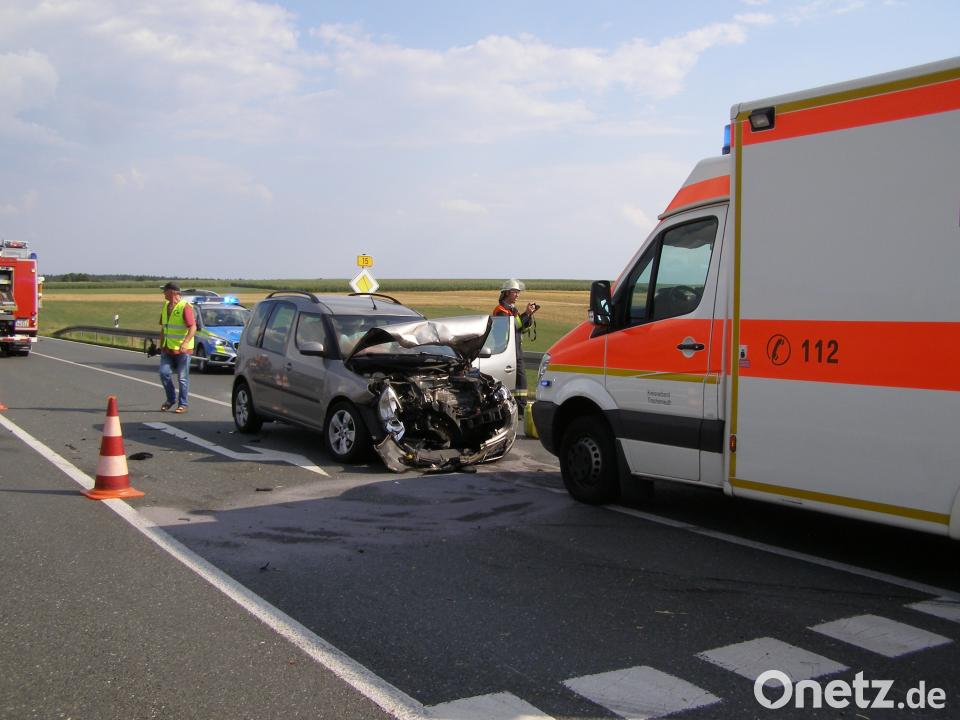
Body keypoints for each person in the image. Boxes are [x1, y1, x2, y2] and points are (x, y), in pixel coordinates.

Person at [492, 279, 539, 416]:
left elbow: (522, 328)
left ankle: (521, 409)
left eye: (518, 292)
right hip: (505, 351)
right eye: (515, 292)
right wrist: (525, 314)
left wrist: (528, 316)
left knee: (521, 382)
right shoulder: (500, 310)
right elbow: (512, 327)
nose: (517, 295)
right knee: (509, 381)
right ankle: (511, 409)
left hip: (516, 350)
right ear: (506, 293)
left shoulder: (513, 310)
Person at [158, 281, 196, 413]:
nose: (163, 294)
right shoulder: (165, 306)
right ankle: (171, 399)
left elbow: (193, 327)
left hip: (182, 351)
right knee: (164, 374)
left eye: (165, 291)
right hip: (167, 349)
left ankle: (183, 404)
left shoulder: (185, 307)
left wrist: (185, 343)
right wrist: (160, 345)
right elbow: (164, 327)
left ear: (173, 292)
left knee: (182, 378)